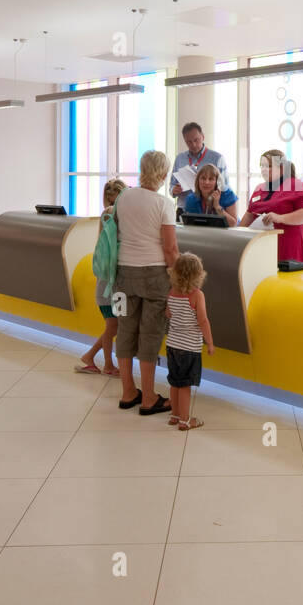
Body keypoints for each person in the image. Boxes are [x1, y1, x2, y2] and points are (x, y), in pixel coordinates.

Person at [112, 151, 178, 415]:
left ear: (141, 169)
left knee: (125, 330)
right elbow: (171, 249)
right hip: (154, 276)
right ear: (163, 174)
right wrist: (179, 282)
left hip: (123, 274)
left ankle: (128, 392)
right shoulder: (164, 204)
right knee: (150, 335)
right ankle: (149, 397)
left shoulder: (123, 196)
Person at [77, 178, 126, 375]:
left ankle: (91, 357)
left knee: (115, 326)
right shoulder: (112, 214)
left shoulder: (105, 214)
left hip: (109, 285)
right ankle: (107, 364)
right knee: (115, 326)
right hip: (113, 286)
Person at [164, 252, 214, 431]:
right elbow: (203, 321)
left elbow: (168, 314)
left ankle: (175, 415)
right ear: (198, 275)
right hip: (189, 348)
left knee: (174, 382)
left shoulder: (172, 292)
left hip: (172, 345)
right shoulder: (197, 295)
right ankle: (185, 420)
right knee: (185, 385)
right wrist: (209, 342)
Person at [239, 149, 303, 264]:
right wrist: (237, 234)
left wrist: (280, 218)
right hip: (263, 250)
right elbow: (250, 215)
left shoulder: (299, 185)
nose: (264, 169)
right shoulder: (259, 188)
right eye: (262, 166)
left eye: (268, 166)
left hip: (289, 250)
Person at [169, 122, 228, 201]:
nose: (193, 144)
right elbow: (172, 185)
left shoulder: (217, 158)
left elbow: (225, 188)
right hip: (184, 208)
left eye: (196, 140)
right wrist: (174, 190)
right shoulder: (180, 158)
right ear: (185, 141)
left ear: (203, 137)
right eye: (189, 142)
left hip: (208, 208)